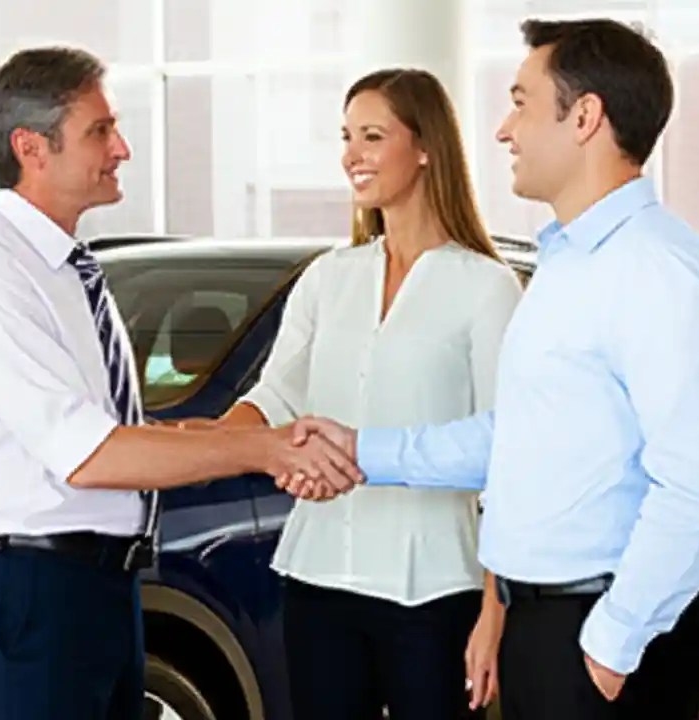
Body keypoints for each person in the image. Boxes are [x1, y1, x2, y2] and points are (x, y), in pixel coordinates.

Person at [284, 18, 699, 720]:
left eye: (521, 102)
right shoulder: (568, 262)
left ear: (585, 116)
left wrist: (610, 648)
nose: (503, 129)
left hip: (601, 633)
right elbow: (519, 439)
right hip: (548, 626)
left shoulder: (656, 271)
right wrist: (360, 450)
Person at [0, 46, 362, 720]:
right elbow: (90, 454)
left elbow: (115, 434)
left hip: (106, 591)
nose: (121, 148)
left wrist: (215, 435)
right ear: (31, 147)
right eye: (100, 130)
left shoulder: (72, 273)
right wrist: (265, 450)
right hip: (35, 599)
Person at [181, 69, 521, 718]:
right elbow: (276, 395)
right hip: (320, 578)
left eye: (372, 135)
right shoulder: (328, 278)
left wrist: (493, 613)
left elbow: (507, 454)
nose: (351, 155)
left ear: (427, 148)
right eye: (346, 137)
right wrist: (205, 445)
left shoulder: (486, 287)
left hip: (436, 592)